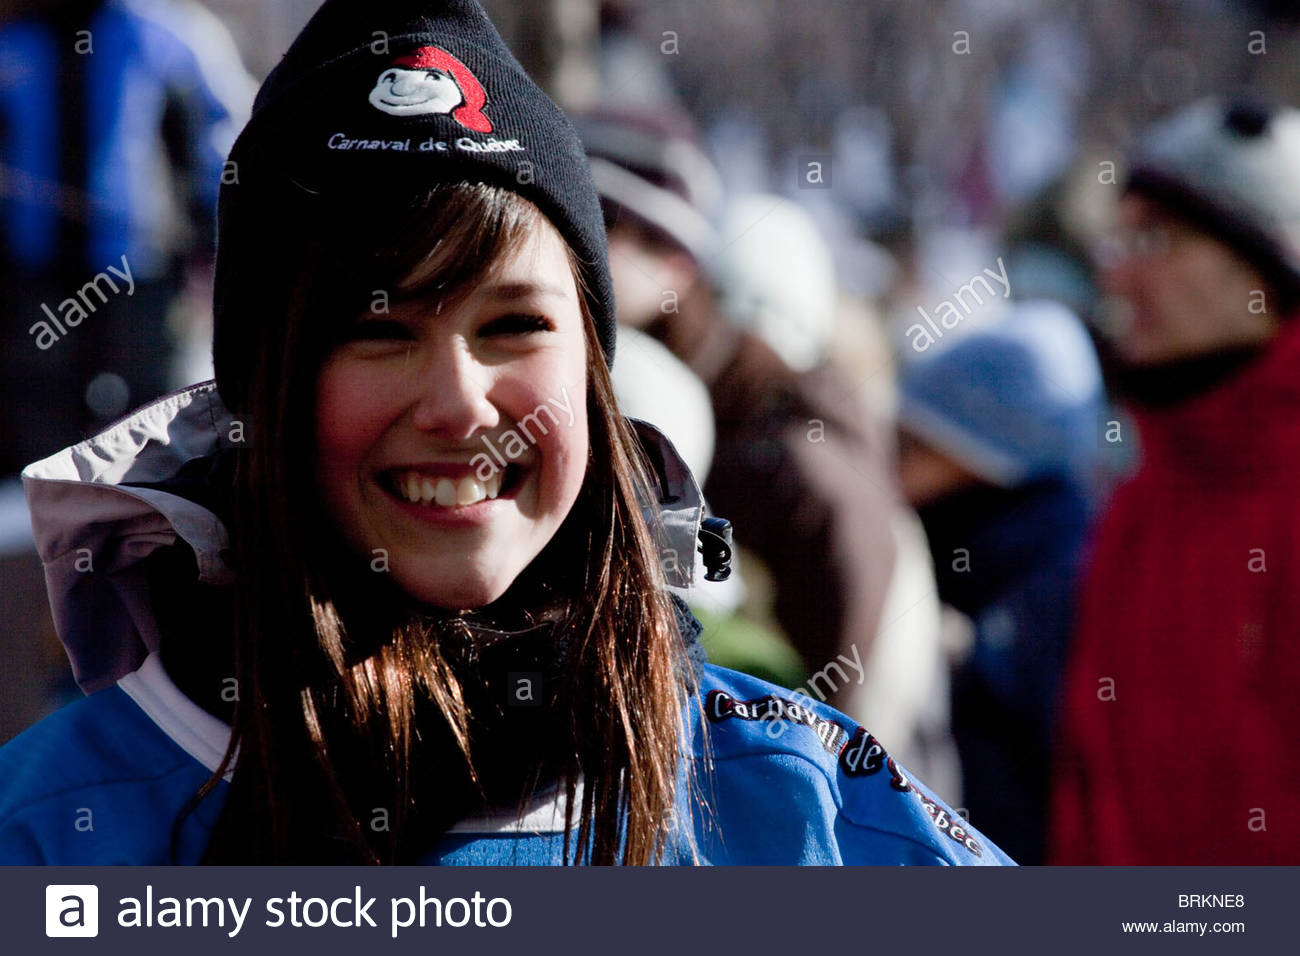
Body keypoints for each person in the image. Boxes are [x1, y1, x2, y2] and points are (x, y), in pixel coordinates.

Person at [0, 0, 1011, 867]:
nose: (457, 401)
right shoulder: (61, 822)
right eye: (380, 331)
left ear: (595, 371)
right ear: (262, 389)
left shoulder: (798, 803)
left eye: (514, 324)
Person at [578, 108, 900, 707]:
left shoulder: (778, 436)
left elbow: (842, 683)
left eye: (590, 222)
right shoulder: (675, 374)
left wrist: (796, 773)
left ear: (671, 260)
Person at [1050, 97, 1300, 864]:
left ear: (1261, 266)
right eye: (1116, 244)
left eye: (1153, 240)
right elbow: (1089, 787)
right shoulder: (1141, 501)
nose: (1117, 276)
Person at [0, 0, 255, 475]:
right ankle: (48, 517)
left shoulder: (167, 35)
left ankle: (148, 511)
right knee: (41, 397)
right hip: (34, 268)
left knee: (148, 405)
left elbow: (222, 138)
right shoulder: (17, 42)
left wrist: (214, 236)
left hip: (137, 265)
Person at [896, 300, 1105, 864]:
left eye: (916, 444)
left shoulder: (1053, 582)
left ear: (980, 456)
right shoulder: (989, 542)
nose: (896, 468)